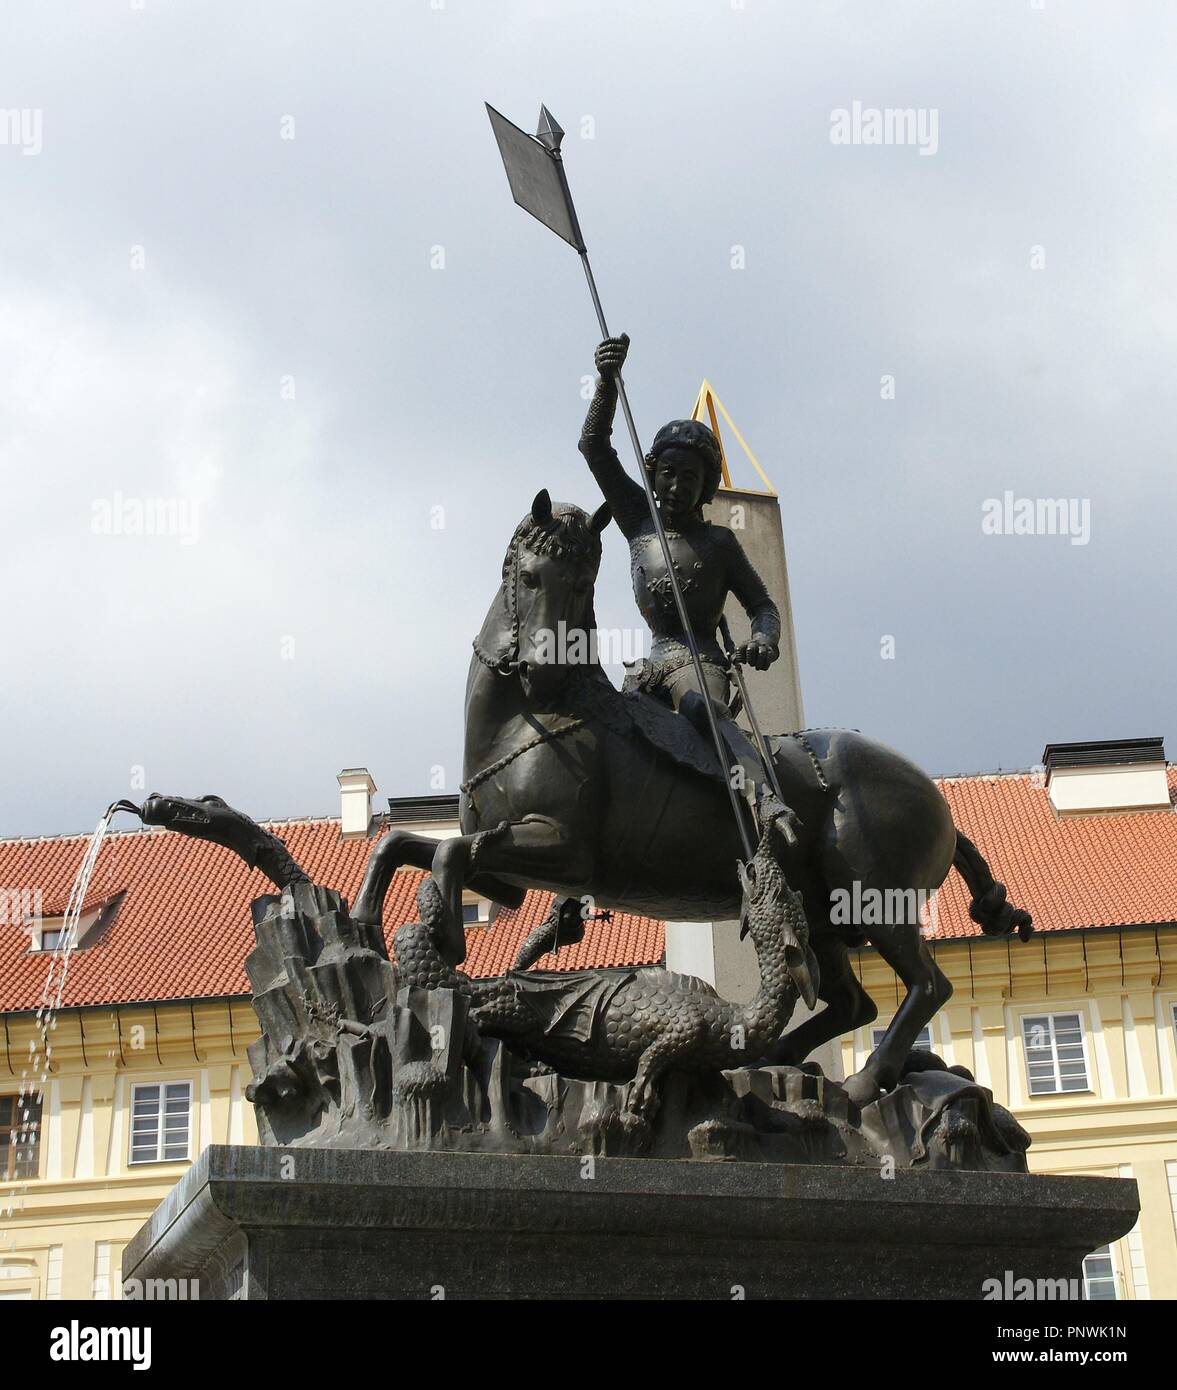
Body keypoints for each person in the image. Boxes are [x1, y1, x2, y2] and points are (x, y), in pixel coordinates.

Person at [579, 333, 783, 808]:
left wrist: (764, 639)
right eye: (668, 472)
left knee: (702, 714)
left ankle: (766, 805)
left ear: (707, 487)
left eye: (690, 478)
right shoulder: (636, 520)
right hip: (650, 668)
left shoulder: (720, 543)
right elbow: (594, 446)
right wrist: (607, 381)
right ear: (652, 473)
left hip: (702, 663)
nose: (675, 486)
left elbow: (762, 605)